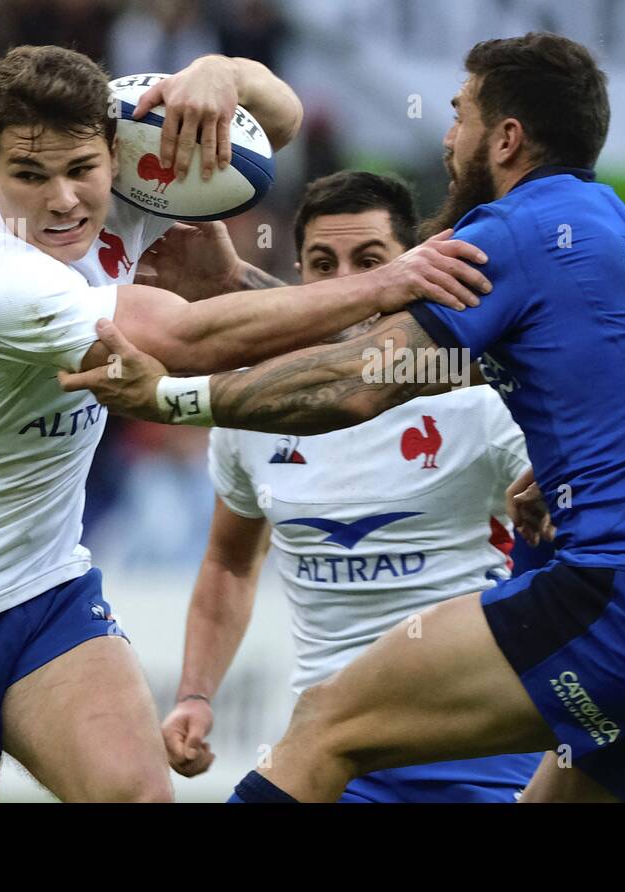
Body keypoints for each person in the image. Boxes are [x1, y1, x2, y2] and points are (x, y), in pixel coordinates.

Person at [63, 31, 625, 803]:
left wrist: (168, 397)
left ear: (506, 139)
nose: (447, 138)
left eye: (458, 115)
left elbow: (359, 382)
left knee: (326, 723)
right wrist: (237, 282)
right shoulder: (615, 231)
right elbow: (422, 360)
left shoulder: (514, 229)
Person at [0, 44, 489, 802]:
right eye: (28, 176)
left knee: (139, 796)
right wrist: (389, 280)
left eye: (82, 170)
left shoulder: (131, 164)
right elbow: (184, 339)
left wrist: (224, 74)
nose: (63, 202)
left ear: (118, 150)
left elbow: (279, 122)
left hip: (43, 587)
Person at [162, 170, 541, 801]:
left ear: (413, 266)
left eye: (370, 261)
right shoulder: (252, 411)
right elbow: (229, 563)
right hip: (332, 750)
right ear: (299, 275)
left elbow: (570, 514)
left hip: (476, 746)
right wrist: (196, 695)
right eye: (322, 263)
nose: (348, 284)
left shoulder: (476, 402)